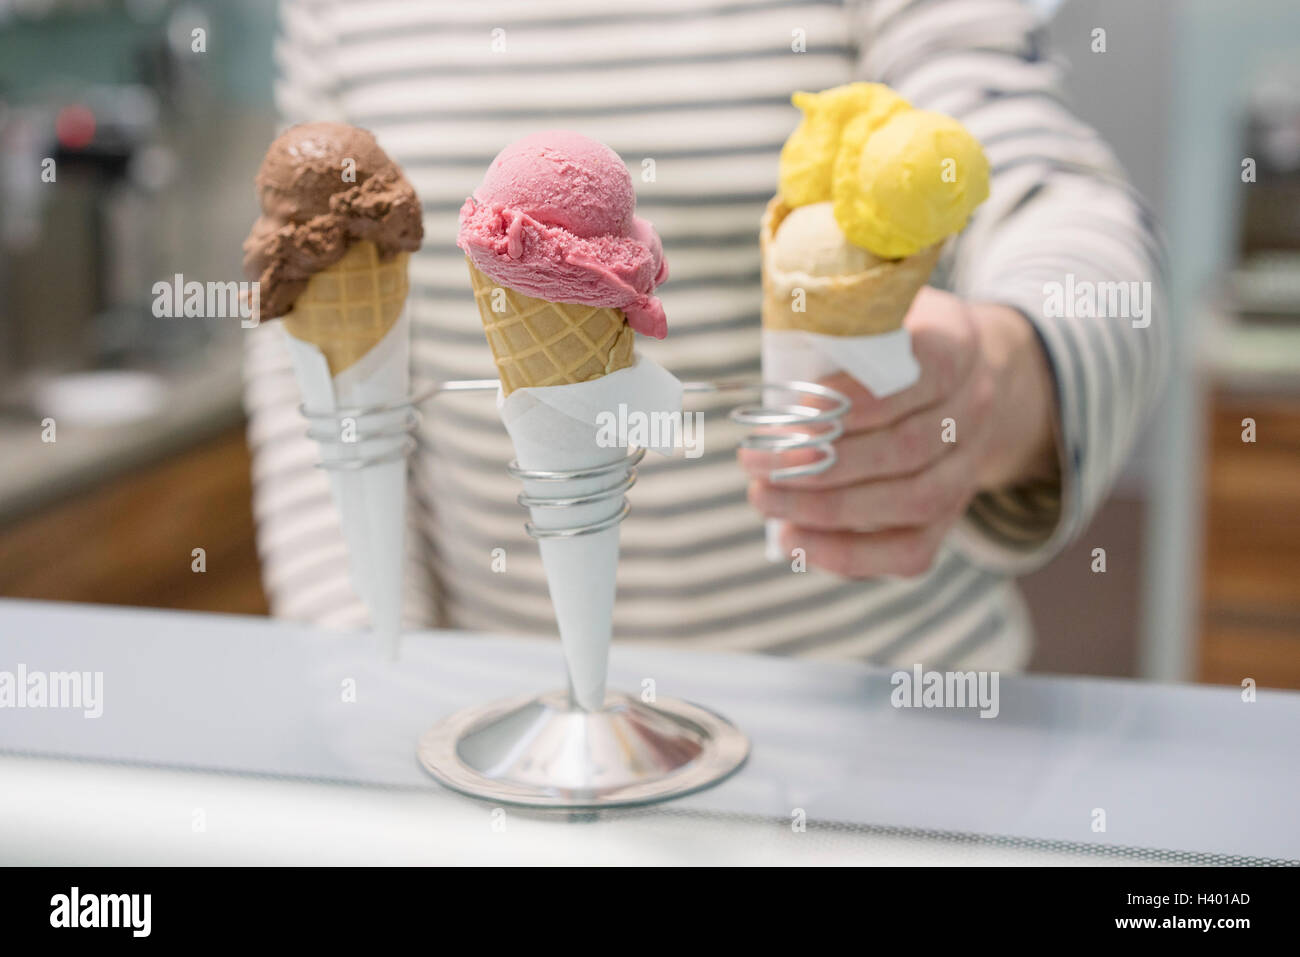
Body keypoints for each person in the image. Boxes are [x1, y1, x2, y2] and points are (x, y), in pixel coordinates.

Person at [242, 0, 1166, 669]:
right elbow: (319, 335)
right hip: (517, 761)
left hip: (879, 741)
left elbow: (1041, 186)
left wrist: (1004, 373)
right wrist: (367, 676)